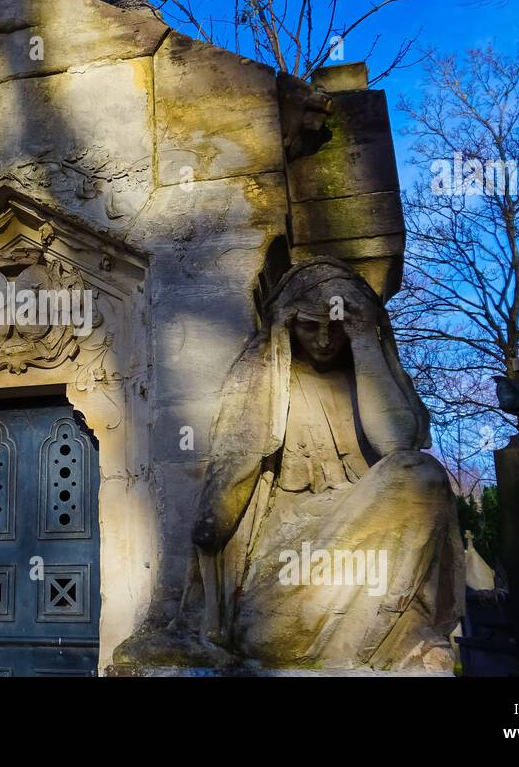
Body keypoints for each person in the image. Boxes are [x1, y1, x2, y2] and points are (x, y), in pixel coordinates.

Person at [193, 257, 463, 670]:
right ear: (286, 323)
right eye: (308, 325)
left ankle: (386, 637)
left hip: (365, 534)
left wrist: (363, 339)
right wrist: (210, 526)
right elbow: (235, 464)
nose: (323, 339)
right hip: (291, 556)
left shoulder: (367, 377)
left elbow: (398, 444)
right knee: (270, 636)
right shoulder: (269, 378)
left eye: (334, 327)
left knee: (419, 474)